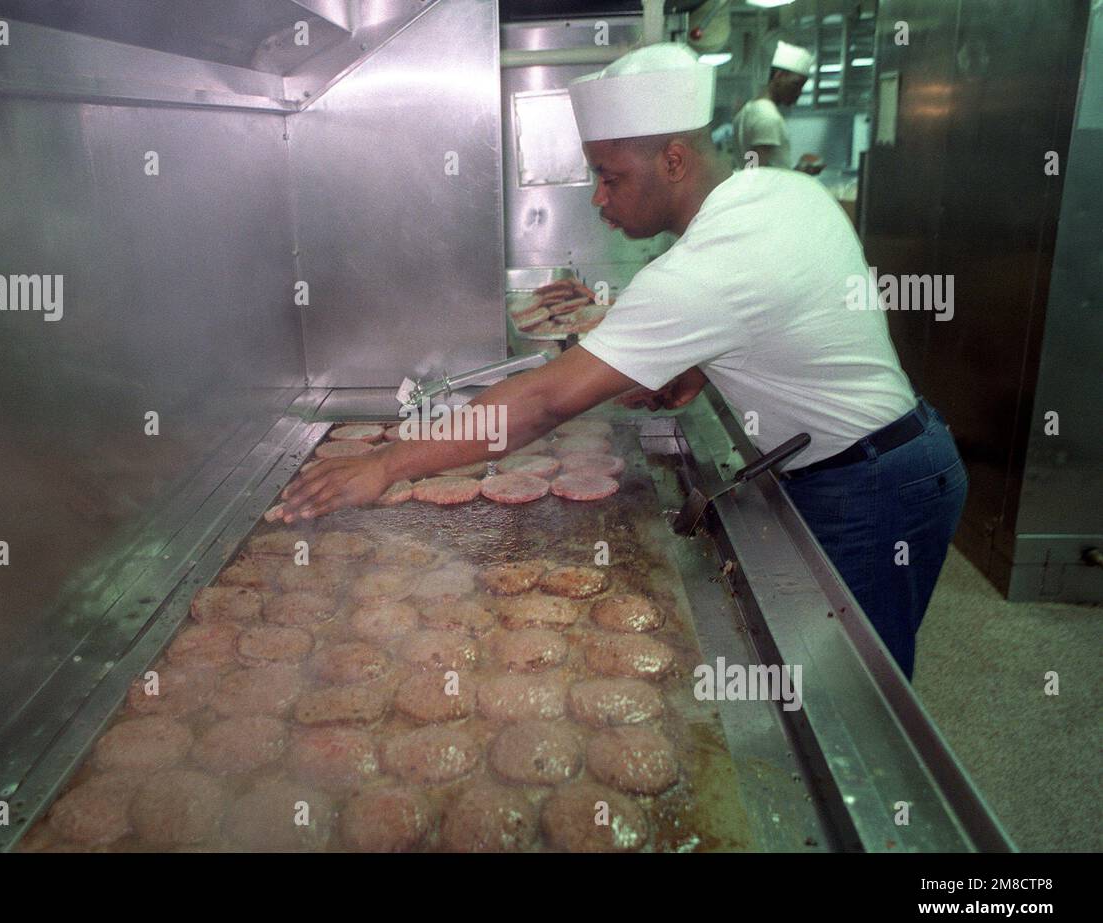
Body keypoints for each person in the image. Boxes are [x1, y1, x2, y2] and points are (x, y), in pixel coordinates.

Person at [281, 44, 967, 680]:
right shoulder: (780, 193)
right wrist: (698, 364)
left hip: (872, 487)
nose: (598, 198)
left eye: (610, 177)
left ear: (674, 160)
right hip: (898, 455)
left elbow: (545, 401)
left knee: (846, 698)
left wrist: (387, 464)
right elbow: (795, 320)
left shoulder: (709, 262)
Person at [733, 40, 823, 174]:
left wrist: (799, 172)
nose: (798, 93)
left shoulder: (749, 109)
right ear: (779, 76)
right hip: (767, 195)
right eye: (796, 85)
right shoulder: (768, 117)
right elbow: (755, 174)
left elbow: (762, 170)